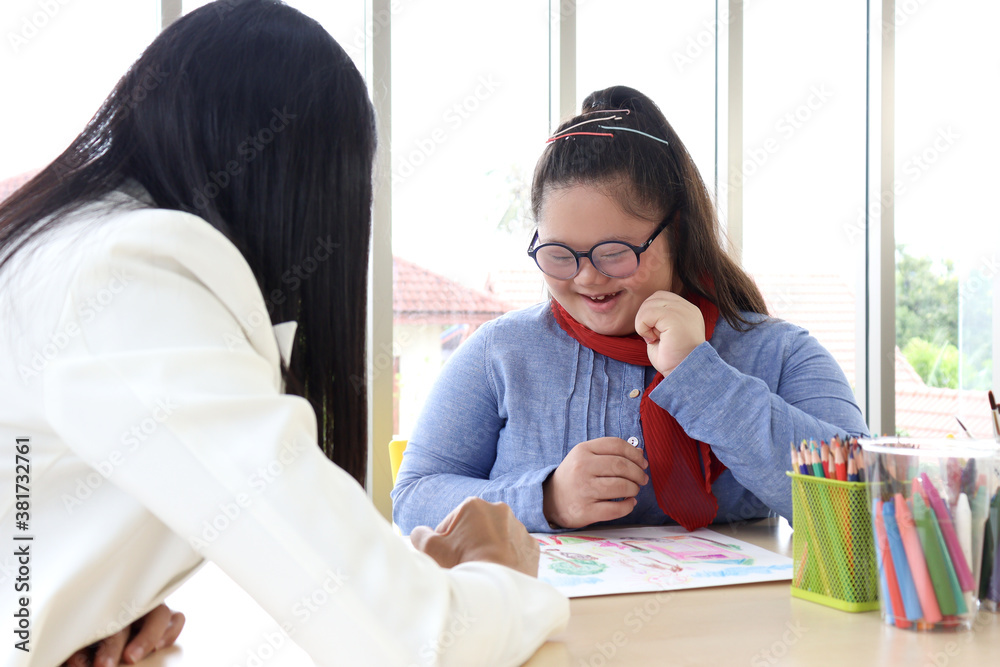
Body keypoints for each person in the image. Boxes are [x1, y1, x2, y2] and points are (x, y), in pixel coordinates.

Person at [0, 2, 567, 666]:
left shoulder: (65, 245)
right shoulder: (139, 266)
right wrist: (496, 574)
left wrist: (83, 594)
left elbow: (37, 504)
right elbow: (406, 641)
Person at [392, 85, 870, 536]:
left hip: (742, 624)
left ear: (676, 232)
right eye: (559, 254)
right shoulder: (501, 352)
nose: (586, 278)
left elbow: (864, 510)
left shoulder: (781, 353)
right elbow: (413, 498)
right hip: (558, 624)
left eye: (614, 251)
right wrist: (545, 499)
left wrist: (699, 377)